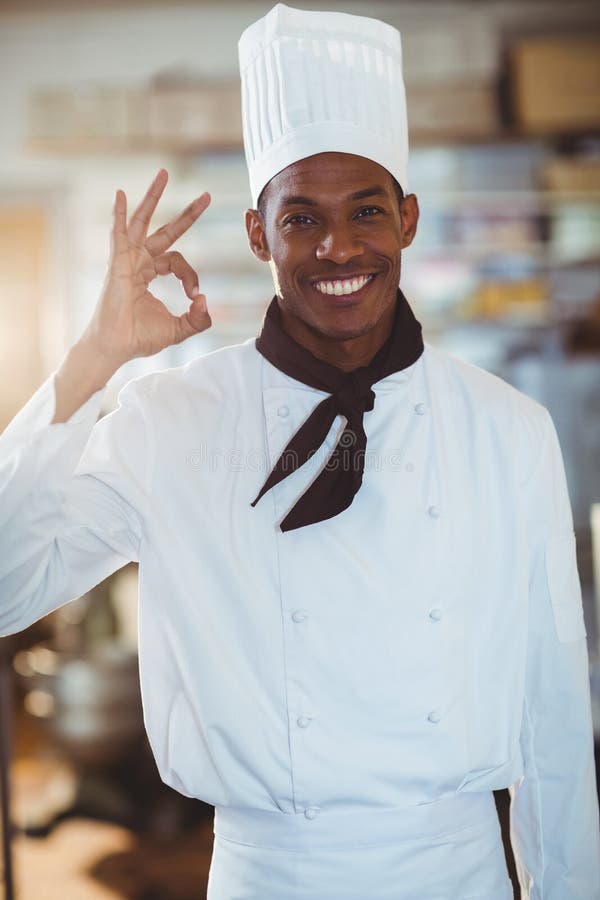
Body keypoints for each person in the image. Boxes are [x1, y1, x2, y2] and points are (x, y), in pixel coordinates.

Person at [1, 4, 599, 898]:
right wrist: (93, 358)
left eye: (367, 211)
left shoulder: (506, 427)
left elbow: (553, 708)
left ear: (408, 219)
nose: (338, 247)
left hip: (457, 870)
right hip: (266, 873)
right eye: (301, 218)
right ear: (258, 234)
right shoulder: (173, 419)